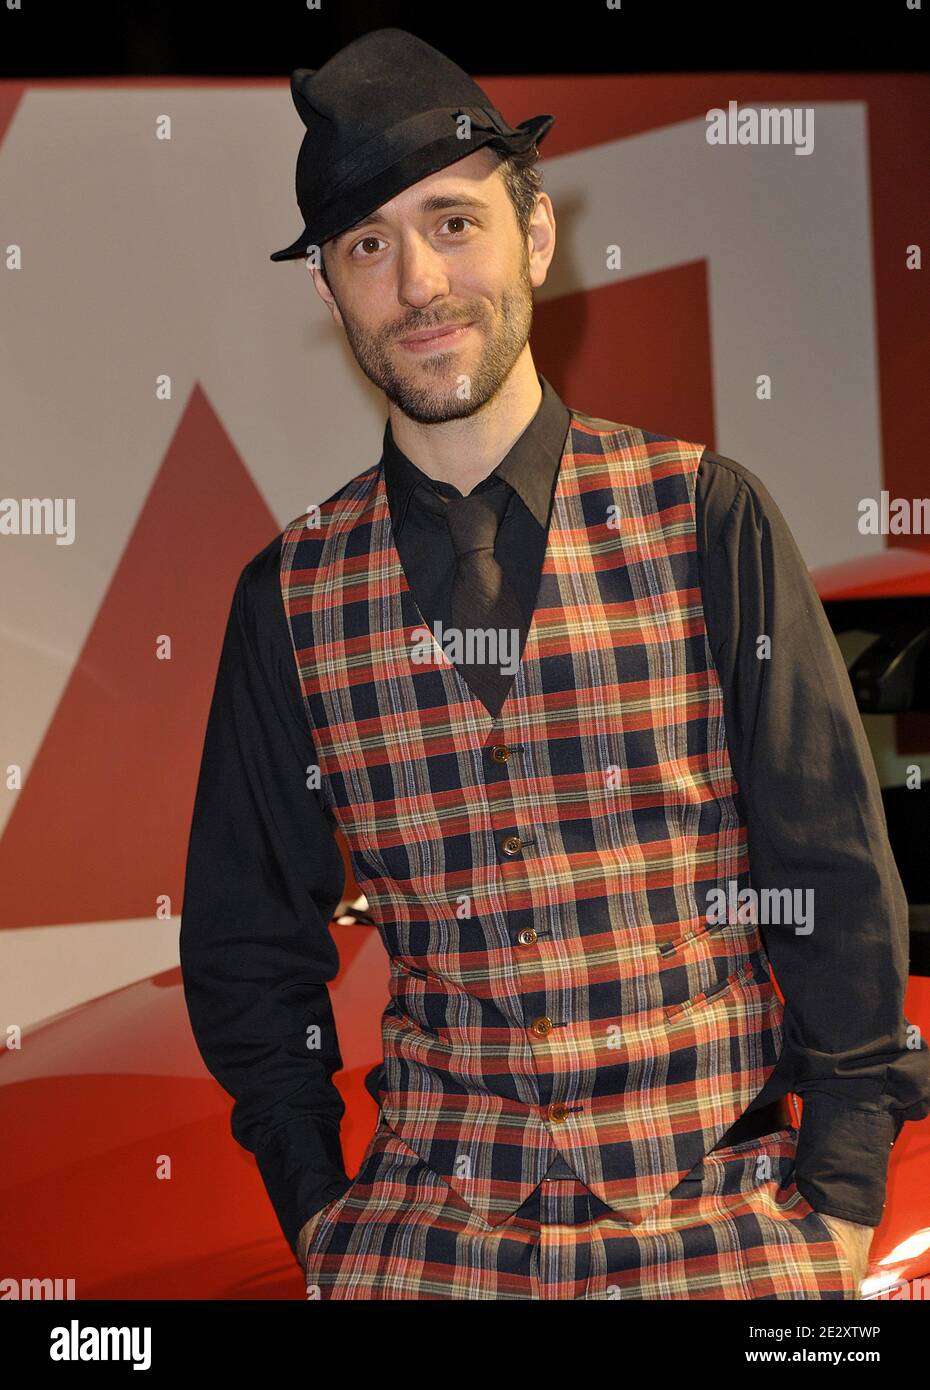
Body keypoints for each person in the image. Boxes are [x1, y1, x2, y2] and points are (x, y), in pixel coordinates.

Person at [179, 27, 930, 1300]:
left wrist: (841, 1204)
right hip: (426, 1247)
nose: (417, 282)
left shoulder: (706, 516)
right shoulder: (286, 599)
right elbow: (248, 945)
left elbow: (835, 881)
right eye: (367, 245)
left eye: (453, 222)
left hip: (728, 1237)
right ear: (329, 292)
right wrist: (319, 1213)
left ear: (535, 237)